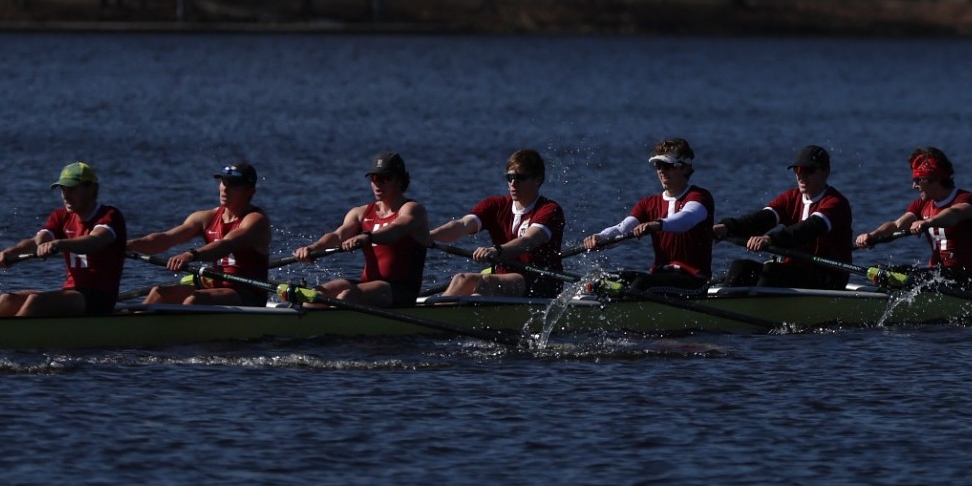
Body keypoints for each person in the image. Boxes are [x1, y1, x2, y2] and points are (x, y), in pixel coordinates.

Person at [0, 161, 127, 317]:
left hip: (99, 299)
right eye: (63, 189)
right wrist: (9, 252)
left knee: (36, 301)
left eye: (72, 189)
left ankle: (8, 338)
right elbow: (37, 241)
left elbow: (94, 242)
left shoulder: (110, 216)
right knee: (8, 299)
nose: (66, 196)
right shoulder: (61, 216)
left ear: (91, 188)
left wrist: (58, 244)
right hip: (71, 294)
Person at [292, 152, 430, 307]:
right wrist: (313, 248)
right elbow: (338, 235)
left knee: (348, 296)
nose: (378, 184)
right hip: (368, 286)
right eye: (374, 179)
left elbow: (397, 229)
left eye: (385, 178)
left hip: (400, 291)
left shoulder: (413, 210)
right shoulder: (360, 213)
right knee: (315, 296)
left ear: (400, 181)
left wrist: (367, 237)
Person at [580, 137, 716, 292]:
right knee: (602, 282)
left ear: (685, 168)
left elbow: (686, 218)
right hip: (659, 276)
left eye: (668, 165)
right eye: (658, 165)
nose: (661, 171)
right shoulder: (648, 203)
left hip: (693, 280)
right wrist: (601, 238)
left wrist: (657, 224)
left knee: (640, 284)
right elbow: (622, 229)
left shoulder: (700, 197)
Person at [127, 161, 272, 306]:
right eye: (223, 181)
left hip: (247, 294)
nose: (225, 188)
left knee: (195, 300)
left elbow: (226, 245)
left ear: (250, 191)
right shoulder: (205, 217)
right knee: (159, 292)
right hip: (216, 288)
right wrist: (126, 245)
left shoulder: (256, 220)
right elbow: (166, 239)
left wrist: (192, 254)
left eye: (233, 184)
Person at [428, 148, 566, 298]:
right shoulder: (496, 205)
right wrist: (429, 235)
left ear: (537, 179)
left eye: (520, 178)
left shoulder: (550, 210)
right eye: (510, 177)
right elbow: (462, 225)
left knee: (486, 282)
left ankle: (465, 316)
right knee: (461, 279)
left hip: (541, 281)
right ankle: (436, 311)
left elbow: (528, 241)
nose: (513, 183)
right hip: (505, 278)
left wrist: (497, 250)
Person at [713, 144, 853, 290]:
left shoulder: (836, 203)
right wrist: (727, 227)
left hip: (826, 277)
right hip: (795, 271)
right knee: (740, 266)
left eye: (808, 170)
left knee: (771, 271)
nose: (801, 176)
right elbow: (762, 219)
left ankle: (757, 307)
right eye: (797, 170)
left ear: (826, 172)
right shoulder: (791, 197)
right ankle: (722, 303)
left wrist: (770, 239)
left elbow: (807, 229)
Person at [854, 147, 972, 287]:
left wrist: (928, 222)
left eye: (918, 180)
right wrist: (872, 235)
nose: (914, 186)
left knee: (910, 280)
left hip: (963, 278)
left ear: (934, 179)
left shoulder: (968, 200)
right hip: (935, 275)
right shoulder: (921, 204)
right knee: (879, 272)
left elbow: (954, 214)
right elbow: (896, 225)